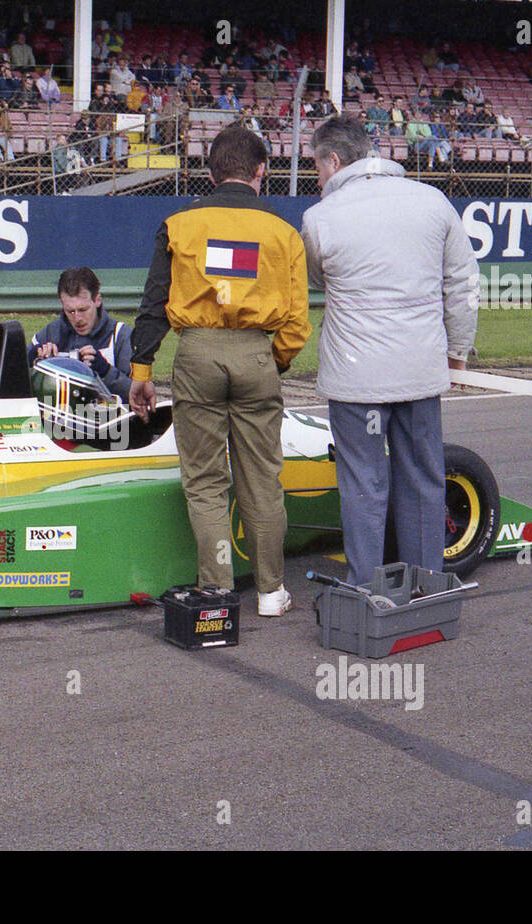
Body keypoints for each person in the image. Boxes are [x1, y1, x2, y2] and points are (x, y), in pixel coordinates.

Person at [129, 124, 311, 616]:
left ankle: (216, 588)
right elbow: (297, 322)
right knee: (261, 479)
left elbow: (153, 303)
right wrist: (270, 362)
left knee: (206, 481)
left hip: (197, 353)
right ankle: (272, 592)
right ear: (261, 172)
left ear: (210, 173)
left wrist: (141, 368)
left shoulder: (178, 223)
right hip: (256, 352)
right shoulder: (285, 232)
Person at [300, 116, 478, 587]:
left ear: (333, 161)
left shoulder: (319, 218)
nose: (316, 177)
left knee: (363, 484)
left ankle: (365, 591)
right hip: (419, 369)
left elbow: (318, 278)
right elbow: (462, 284)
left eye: (316, 166)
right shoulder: (432, 201)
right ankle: (426, 588)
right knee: (423, 479)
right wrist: (458, 351)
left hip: (355, 377)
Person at [28, 267, 133, 400]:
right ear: (62, 304)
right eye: (70, 311)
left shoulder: (120, 335)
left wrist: (105, 371)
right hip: (54, 418)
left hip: (109, 418)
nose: (77, 319)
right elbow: (13, 384)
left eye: (83, 310)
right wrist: (33, 361)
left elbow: (138, 395)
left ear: (97, 300)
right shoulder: (49, 333)